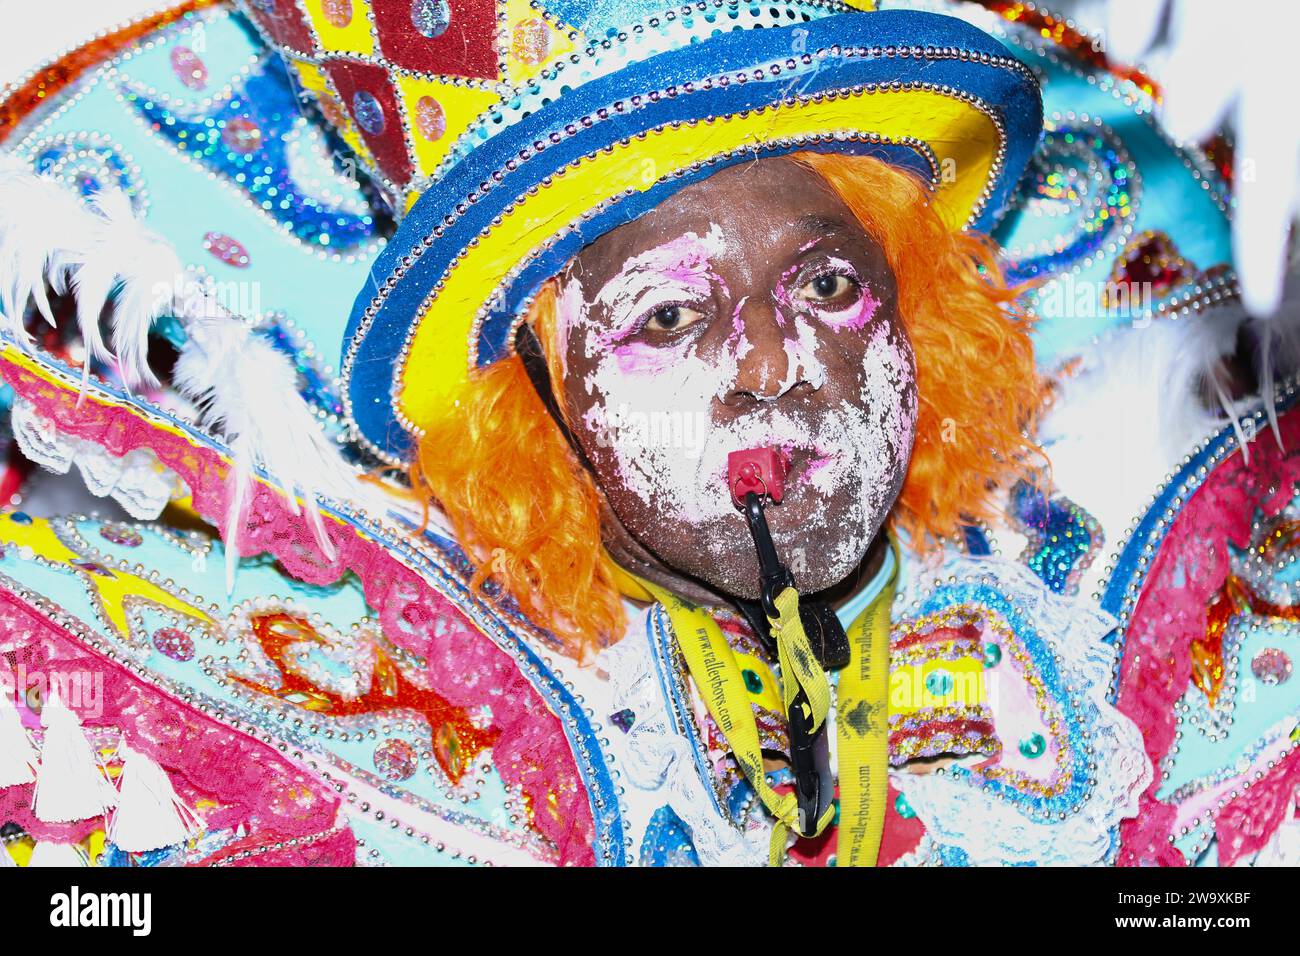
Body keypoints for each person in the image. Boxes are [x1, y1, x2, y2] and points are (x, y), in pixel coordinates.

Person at [0, 0, 1293, 868]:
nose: (772, 361)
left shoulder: (1159, 641)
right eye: (670, 312)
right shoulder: (397, 716)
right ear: (536, 407)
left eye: (831, 288)